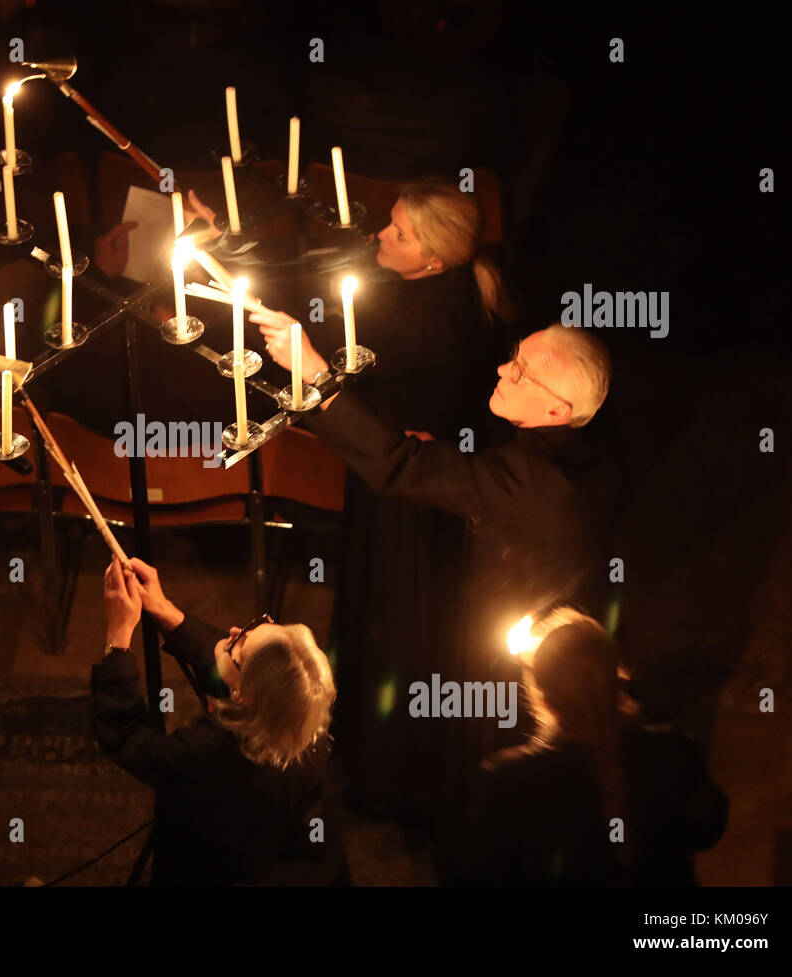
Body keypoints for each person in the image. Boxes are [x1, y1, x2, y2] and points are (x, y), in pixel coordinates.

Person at [263, 320, 621, 843]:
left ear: (555, 411)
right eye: (514, 357)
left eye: (520, 371)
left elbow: (398, 466)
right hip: (562, 631)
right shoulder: (589, 449)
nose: (503, 369)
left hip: (513, 661)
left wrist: (317, 374)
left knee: (504, 779)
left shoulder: (528, 482)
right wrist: (455, 462)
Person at [241, 180, 510, 822]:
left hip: (407, 503)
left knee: (395, 625)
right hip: (413, 483)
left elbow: (325, 319)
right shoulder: (444, 289)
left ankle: (388, 775)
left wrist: (234, 261)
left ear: (434, 261)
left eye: (399, 233)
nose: (379, 236)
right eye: (390, 221)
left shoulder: (417, 319)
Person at [92, 557, 349, 885]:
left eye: (239, 646)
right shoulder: (306, 717)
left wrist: (118, 637)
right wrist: (164, 609)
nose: (233, 631)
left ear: (243, 698)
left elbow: (125, 736)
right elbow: (240, 670)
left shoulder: (208, 750)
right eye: (252, 629)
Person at [452, 609, 728, 884]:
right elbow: (707, 831)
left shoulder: (507, 779)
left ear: (544, 699)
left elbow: (477, 875)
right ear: (616, 680)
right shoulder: (673, 753)